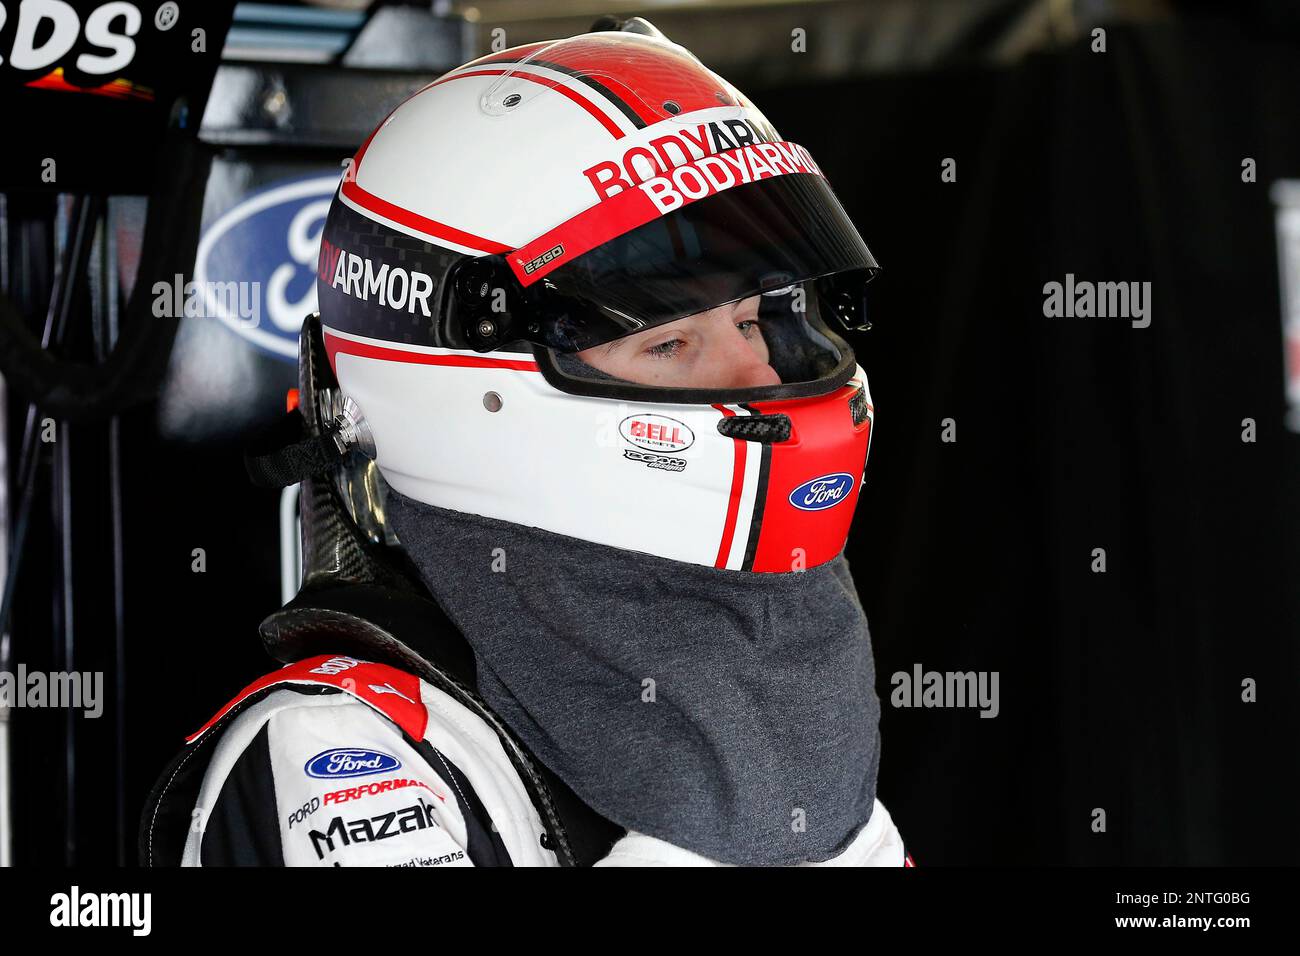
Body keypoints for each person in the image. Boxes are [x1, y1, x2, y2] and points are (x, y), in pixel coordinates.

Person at [140, 17, 914, 868]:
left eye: (753, 319)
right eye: (669, 343)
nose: (761, 375)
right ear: (466, 389)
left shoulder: (786, 693)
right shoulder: (342, 758)